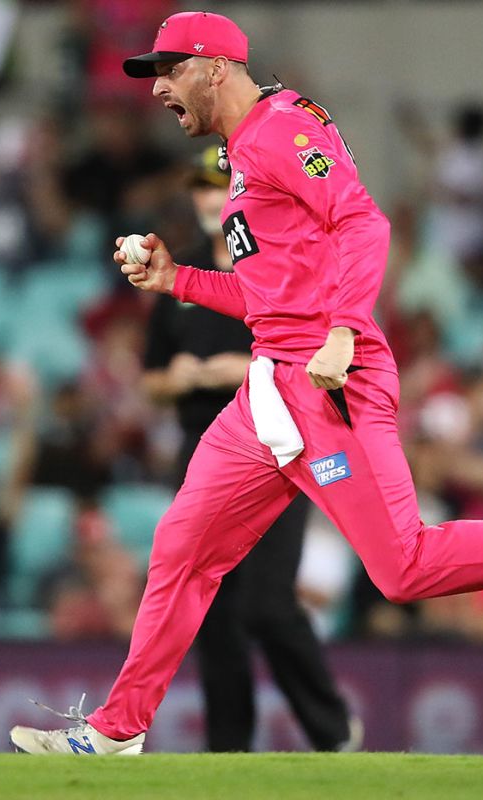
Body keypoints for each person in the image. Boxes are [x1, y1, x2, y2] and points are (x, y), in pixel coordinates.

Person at [11, 11, 483, 757]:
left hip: (332, 379)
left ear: (212, 66)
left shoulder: (278, 129)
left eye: (168, 70)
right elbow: (271, 297)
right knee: (180, 548)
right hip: (272, 384)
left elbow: (365, 223)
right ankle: (118, 729)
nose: (159, 88)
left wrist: (341, 330)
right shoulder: (245, 148)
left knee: (404, 568)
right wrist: (178, 280)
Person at [141, 146, 356, 752]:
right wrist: (179, 378)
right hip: (201, 444)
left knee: (265, 601)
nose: (211, 200)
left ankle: (332, 731)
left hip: (278, 439)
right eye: (202, 189)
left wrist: (246, 368)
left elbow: (312, 350)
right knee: (210, 605)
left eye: (220, 187)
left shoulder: (275, 268)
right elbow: (151, 376)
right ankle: (228, 754)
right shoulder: (181, 275)